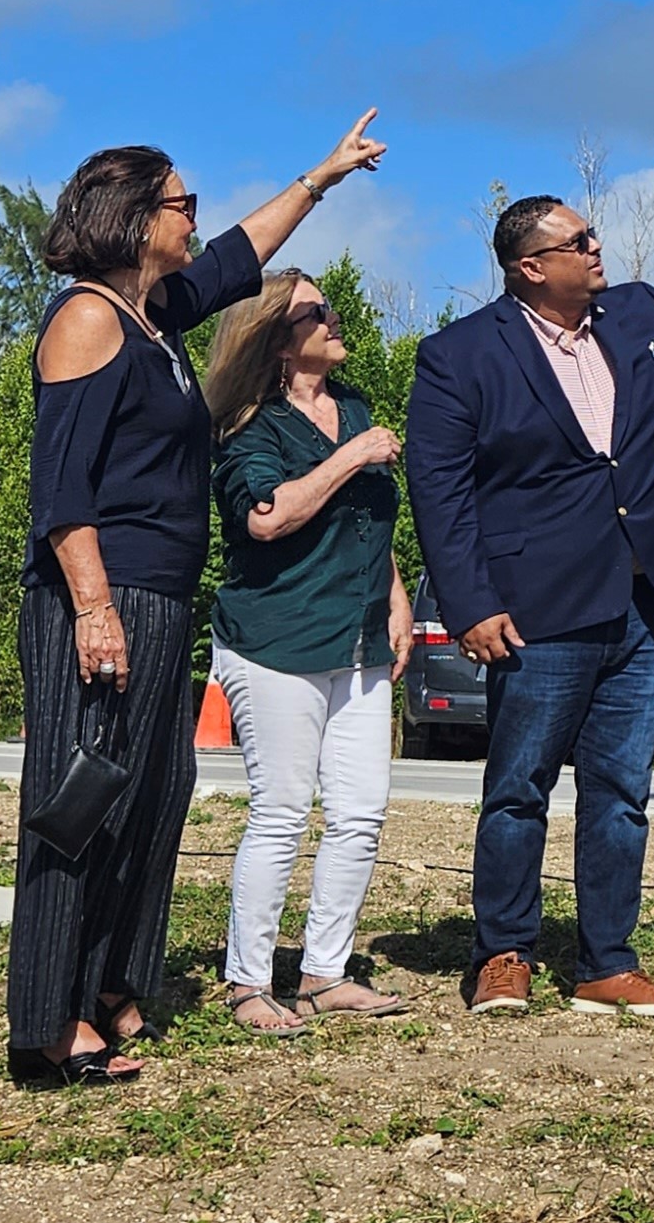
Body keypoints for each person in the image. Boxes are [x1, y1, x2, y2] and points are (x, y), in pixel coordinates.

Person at [9, 114, 389, 1087]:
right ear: (136, 219)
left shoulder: (156, 313)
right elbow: (62, 490)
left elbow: (239, 258)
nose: (195, 216)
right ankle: (47, 1024)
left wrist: (321, 178)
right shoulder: (87, 316)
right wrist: (93, 608)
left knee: (153, 796)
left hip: (163, 596)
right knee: (77, 804)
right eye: (182, 203)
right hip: (98, 596)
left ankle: (109, 985)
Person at [405, 172, 654, 1018]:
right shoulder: (460, 355)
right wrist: (470, 603)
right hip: (537, 606)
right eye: (578, 242)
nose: (597, 251)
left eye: (593, 238)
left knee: (622, 791)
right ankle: (504, 953)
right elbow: (438, 491)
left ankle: (605, 961)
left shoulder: (644, 316)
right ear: (527, 267)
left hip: (643, 601)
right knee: (519, 786)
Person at [204, 270, 414, 1035]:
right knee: (283, 812)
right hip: (276, 642)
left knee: (360, 811)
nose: (334, 318)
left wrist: (394, 596)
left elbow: (365, 522)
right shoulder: (250, 429)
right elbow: (266, 517)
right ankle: (248, 982)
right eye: (315, 311)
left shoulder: (351, 405)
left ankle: (325, 971)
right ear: (276, 339)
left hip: (356, 639)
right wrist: (350, 456)